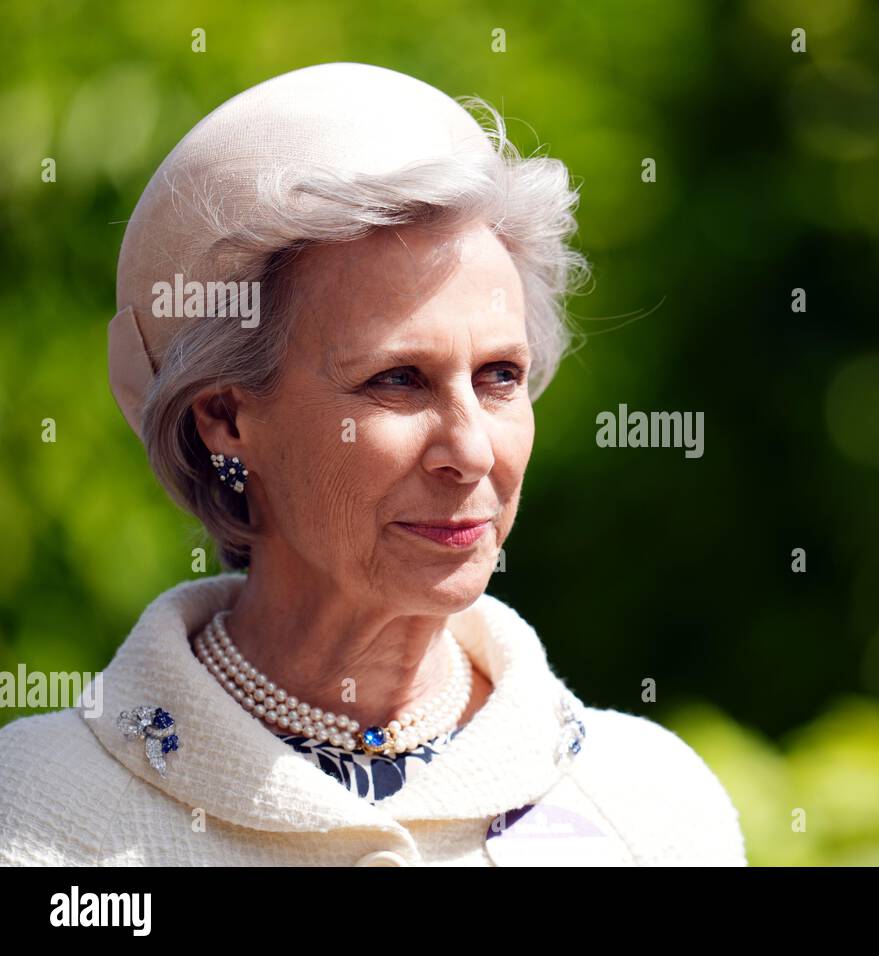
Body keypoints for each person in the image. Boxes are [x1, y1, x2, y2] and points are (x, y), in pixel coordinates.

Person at [0, 62, 746, 866]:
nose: (470, 451)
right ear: (222, 416)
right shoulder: (40, 817)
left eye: (500, 376)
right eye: (397, 380)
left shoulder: (654, 808)